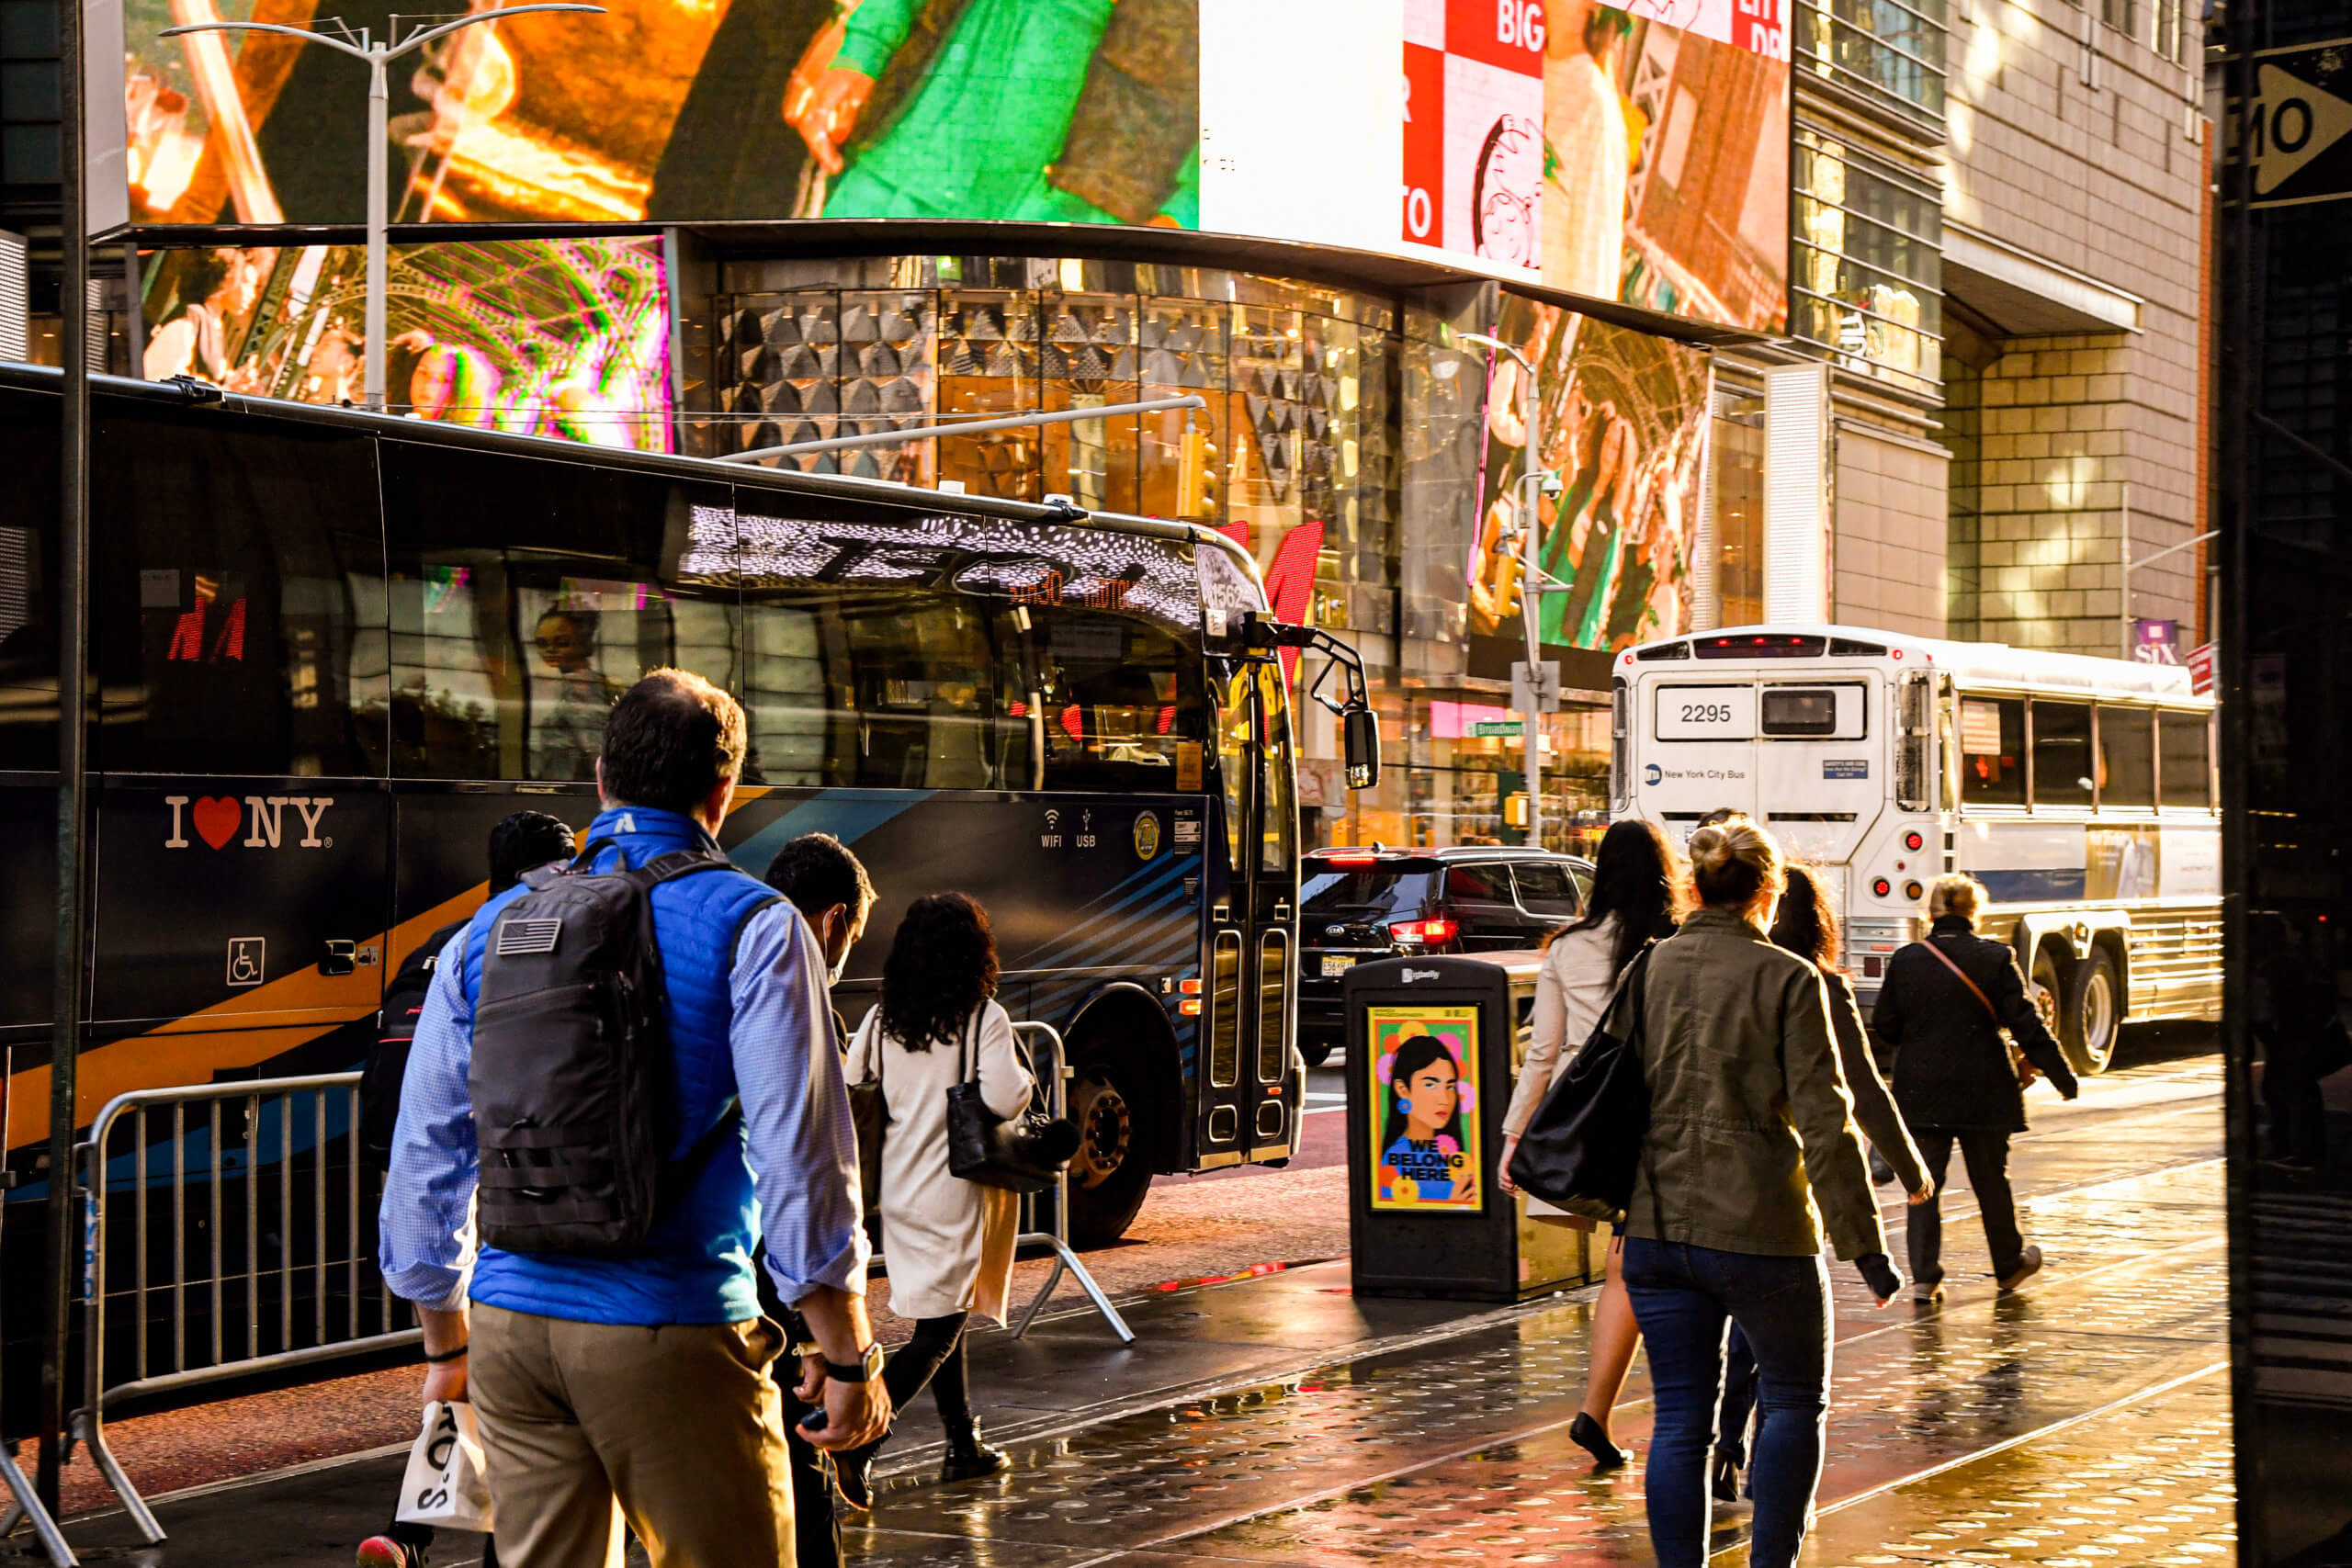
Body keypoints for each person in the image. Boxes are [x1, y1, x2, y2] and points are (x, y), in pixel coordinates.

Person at [379, 670, 890, 1568]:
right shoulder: (757, 926)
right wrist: (846, 1352)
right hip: (673, 1326)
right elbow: (801, 1155)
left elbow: (427, 1151)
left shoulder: (488, 931)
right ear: (723, 792)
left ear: (602, 778)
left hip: (509, 1334)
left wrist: (446, 1344)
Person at [1617, 817, 1900, 1568]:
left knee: (1681, 1420)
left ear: (1694, 887)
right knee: (1795, 1400)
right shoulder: (1789, 977)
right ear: (1769, 893)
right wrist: (1866, 1248)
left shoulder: (1649, 967)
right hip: (1764, 1229)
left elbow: (1617, 1090)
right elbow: (1827, 1121)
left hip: (1657, 1226)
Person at [357, 811, 574, 1568]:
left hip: (433, 1199)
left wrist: (433, 1291)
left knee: (466, 1376)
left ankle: (406, 1536)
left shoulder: (442, 948)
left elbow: (424, 1129)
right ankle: (424, 1536)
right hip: (518, 1210)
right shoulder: (535, 949)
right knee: (525, 1402)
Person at [1707, 864, 1936, 1506]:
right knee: (1783, 1349)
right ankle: (1763, 1475)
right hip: (1783, 1190)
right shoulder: (1820, 985)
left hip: (1711, 1187)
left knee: (1740, 1336)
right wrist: (1912, 1169)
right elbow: (1862, 1089)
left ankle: (1725, 1447)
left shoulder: (1726, 971)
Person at [831, 891, 1032, 1510]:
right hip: (956, 1189)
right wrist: (1026, 1079)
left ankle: (961, 1442)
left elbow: (851, 1081)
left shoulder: (882, 1017)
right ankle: (861, 1438)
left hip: (898, 1189)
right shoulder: (983, 1017)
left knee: (943, 1313)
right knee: (940, 1330)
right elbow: (1004, 1096)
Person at [1497, 816, 1681, 1470]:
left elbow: (1541, 1053)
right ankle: (1676, 1415)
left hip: (1592, 1122)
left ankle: (1597, 1412)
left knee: (1623, 1266)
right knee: (1659, 1264)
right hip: (1661, 1115)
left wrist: (1514, 1137)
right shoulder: (1676, 942)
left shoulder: (1568, 947)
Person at [758, 832, 880, 1568]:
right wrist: (840, 1351)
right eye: (852, 938)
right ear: (833, 920)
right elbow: (804, 1169)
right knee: (798, 1482)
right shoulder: (796, 996)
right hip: (753, 1300)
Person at [1873, 874, 2080, 1303]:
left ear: (1930, 912)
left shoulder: (1907, 960)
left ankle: (1925, 1276)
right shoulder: (1996, 958)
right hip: (1984, 1090)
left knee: (1923, 1185)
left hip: (1922, 1090)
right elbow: (2026, 1024)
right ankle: (2008, 1265)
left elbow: (1886, 1025)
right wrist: (2062, 1076)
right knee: (1991, 1182)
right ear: (1974, 911)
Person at [1377, 1035, 1476, 1204]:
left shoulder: (1451, 1153)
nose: (1444, 1099)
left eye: (1450, 1086)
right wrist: (1452, 1205)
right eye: (1430, 1085)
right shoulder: (1394, 1159)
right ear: (1402, 1090)